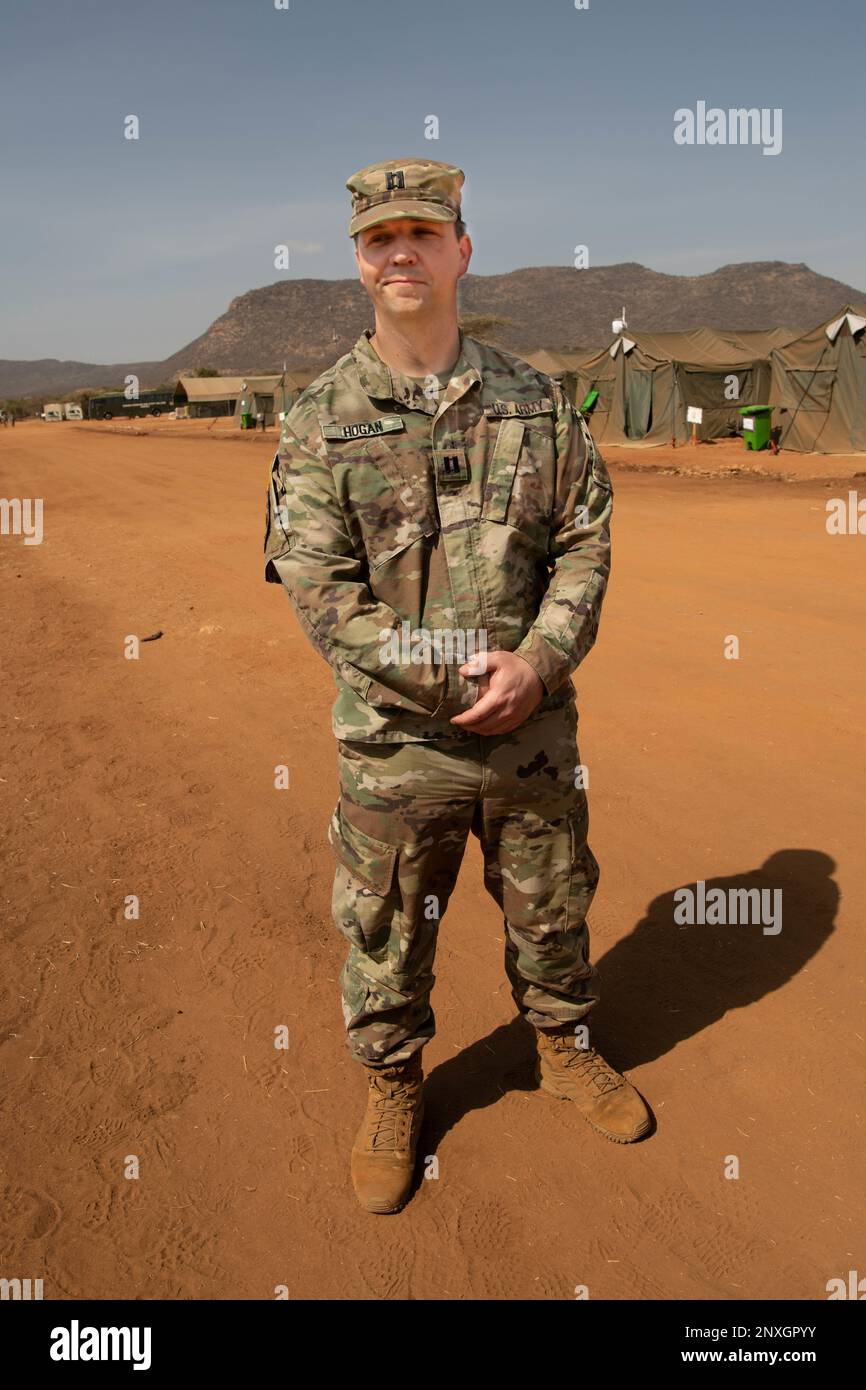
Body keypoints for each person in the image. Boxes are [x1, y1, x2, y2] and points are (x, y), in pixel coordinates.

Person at [263, 157, 652, 1215]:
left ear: (459, 251)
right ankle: (393, 1083)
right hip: (397, 744)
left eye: (422, 234)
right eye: (380, 237)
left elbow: (583, 542)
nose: (401, 252)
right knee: (387, 922)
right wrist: (440, 669)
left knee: (553, 900)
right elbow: (318, 585)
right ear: (357, 262)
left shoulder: (537, 401)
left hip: (529, 727)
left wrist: (538, 661)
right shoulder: (317, 419)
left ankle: (562, 1045)